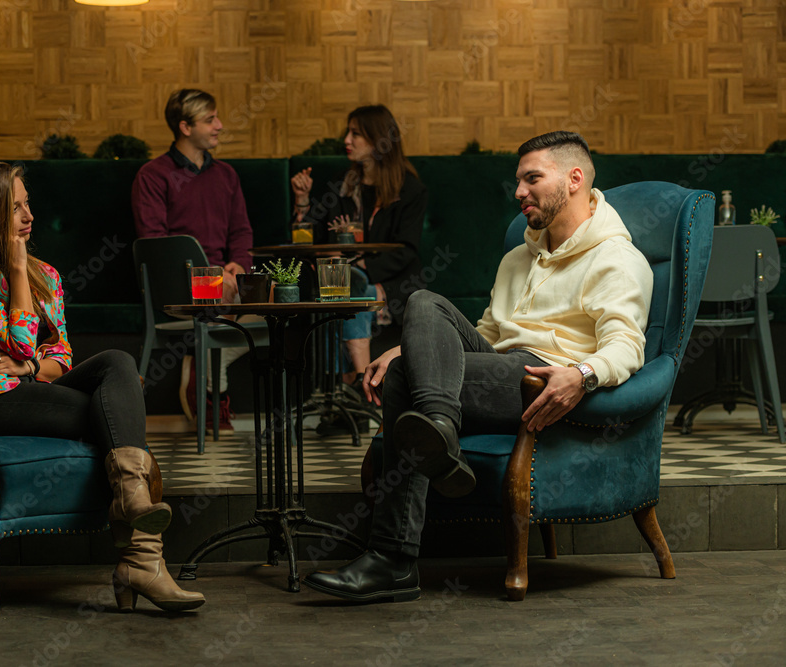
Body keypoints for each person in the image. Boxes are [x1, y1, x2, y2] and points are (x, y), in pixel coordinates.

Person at [303, 131, 653, 603]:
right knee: (425, 305)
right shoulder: (516, 258)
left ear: (574, 179)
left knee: (407, 379)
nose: (518, 193)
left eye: (532, 179)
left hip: (541, 380)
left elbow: (628, 345)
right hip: (496, 370)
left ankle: (393, 559)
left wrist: (584, 374)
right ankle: (439, 428)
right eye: (518, 181)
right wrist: (411, 349)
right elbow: (486, 334)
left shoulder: (618, 258)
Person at [0, 160, 204, 612]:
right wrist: (18, 272)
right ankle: (142, 560)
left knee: (118, 364)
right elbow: (23, 339)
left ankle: (133, 508)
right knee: (113, 414)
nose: (29, 217)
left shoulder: (49, 276)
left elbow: (60, 356)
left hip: (26, 386)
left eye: (28, 205)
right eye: (14, 208)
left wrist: (26, 370)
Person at [132, 88, 254, 431]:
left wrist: (238, 264)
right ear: (185, 127)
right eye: (209, 119)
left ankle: (205, 371)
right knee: (230, 293)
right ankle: (214, 393)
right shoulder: (153, 176)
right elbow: (156, 245)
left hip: (226, 282)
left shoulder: (226, 175)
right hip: (177, 282)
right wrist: (210, 274)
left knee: (285, 300)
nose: (219, 125)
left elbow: (242, 232)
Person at [290, 105, 427, 393]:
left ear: (378, 140)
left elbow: (406, 250)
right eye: (348, 134)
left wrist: (362, 268)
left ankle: (347, 387)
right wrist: (302, 200)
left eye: (356, 134)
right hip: (340, 279)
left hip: (391, 279)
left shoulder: (410, 189)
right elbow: (309, 240)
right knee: (343, 289)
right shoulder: (342, 185)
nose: (347, 141)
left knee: (354, 290)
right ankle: (358, 390)